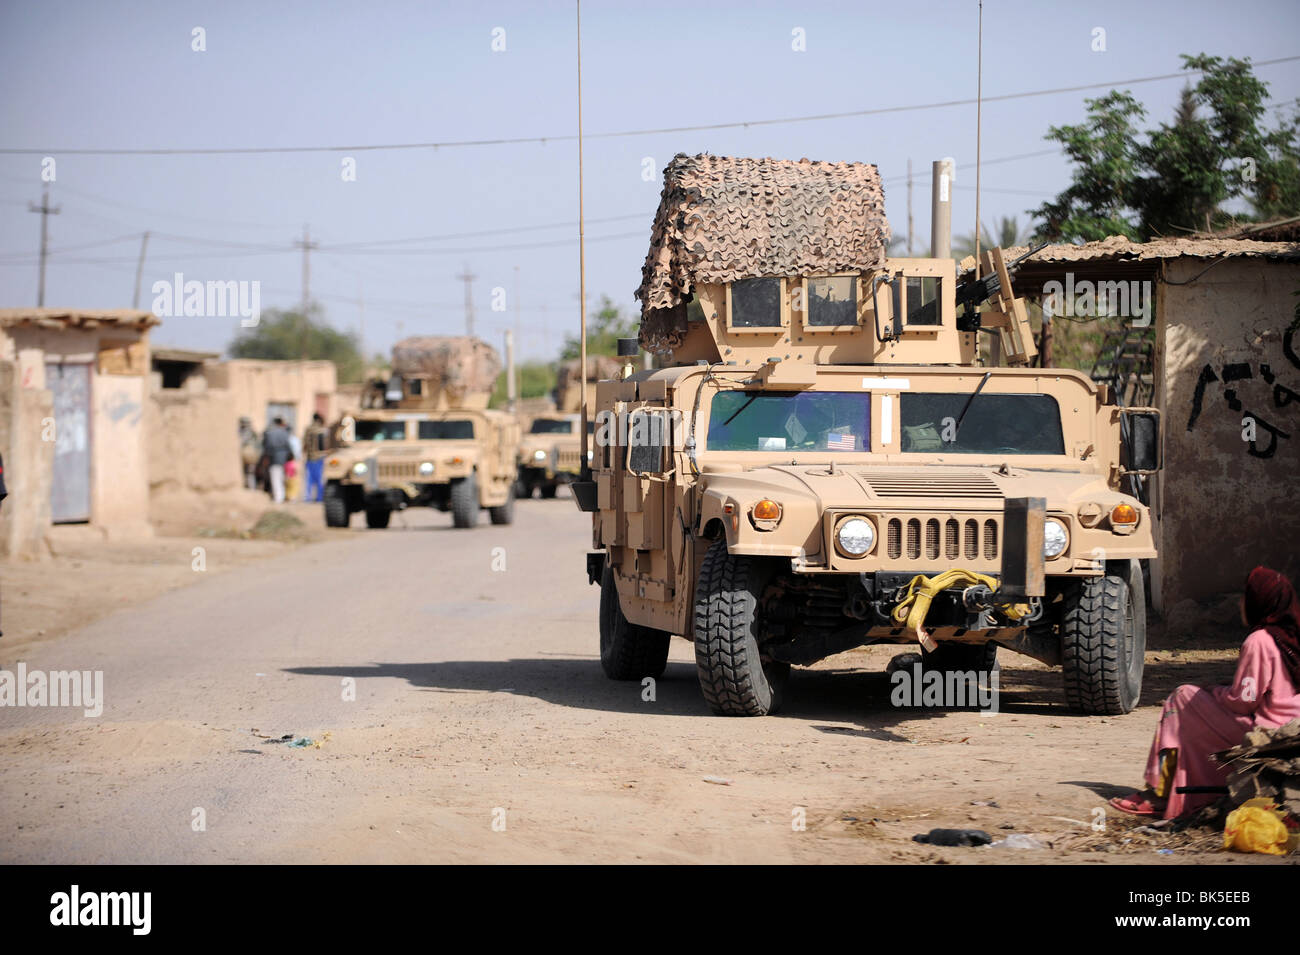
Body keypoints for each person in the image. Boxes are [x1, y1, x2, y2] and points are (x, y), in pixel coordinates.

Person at [1110, 566, 1300, 819]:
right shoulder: (1292, 637)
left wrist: (1214, 691)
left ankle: (1160, 792)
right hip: (1292, 729)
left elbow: (1243, 702)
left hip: (1268, 732)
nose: (1241, 604)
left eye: (1246, 597)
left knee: (1180, 699)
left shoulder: (1260, 641)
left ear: (1260, 602)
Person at [261, 416, 294, 504]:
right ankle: (281, 496)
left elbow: (267, 447)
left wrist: (266, 457)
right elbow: (288, 446)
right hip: (284, 459)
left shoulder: (270, 433)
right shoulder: (284, 433)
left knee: (275, 478)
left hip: (274, 458)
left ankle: (278, 498)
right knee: (281, 477)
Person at [303, 413, 329, 502]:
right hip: (320, 458)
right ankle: (319, 498)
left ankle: (308, 498)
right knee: (319, 479)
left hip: (310, 457)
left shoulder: (308, 429)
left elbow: (305, 444)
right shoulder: (323, 430)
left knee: (309, 479)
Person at [238, 418, 261, 490]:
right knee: (249, 473)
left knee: (250, 473)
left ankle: (251, 489)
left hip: (249, 455)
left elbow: (242, 442)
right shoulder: (251, 432)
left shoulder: (248, 432)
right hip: (250, 456)